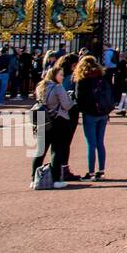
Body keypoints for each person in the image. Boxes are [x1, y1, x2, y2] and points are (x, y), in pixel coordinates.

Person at [30, 61, 75, 189]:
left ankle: (34, 179)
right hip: (57, 121)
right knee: (56, 151)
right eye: (60, 74)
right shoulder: (58, 88)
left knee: (40, 152)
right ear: (54, 75)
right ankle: (55, 180)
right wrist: (70, 99)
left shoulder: (40, 87)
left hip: (42, 120)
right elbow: (67, 105)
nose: (62, 77)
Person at [73, 56, 113, 180]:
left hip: (90, 114)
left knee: (91, 144)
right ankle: (101, 171)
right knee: (100, 142)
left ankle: (90, 172)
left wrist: (82, 110)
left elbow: (78, 98)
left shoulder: (83, 79)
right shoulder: (102, 76)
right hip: (103, 113)